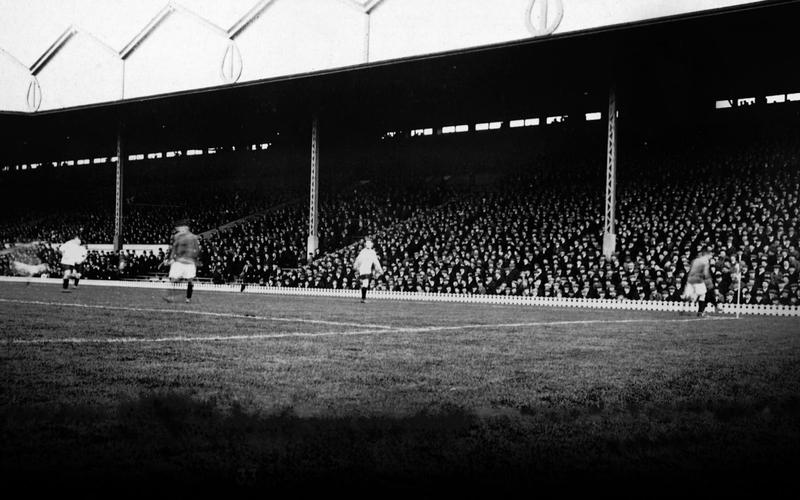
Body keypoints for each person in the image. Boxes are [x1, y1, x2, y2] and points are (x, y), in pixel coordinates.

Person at [163, 220, 200, 303]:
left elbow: (197, 249)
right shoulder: (177, 236)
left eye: (183, 227)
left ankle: (188, 298)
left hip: (189, 262)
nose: (181, 229)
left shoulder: (193, 237)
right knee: (173, 279)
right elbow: (174, 247)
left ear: (187, 227)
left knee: (190, 280)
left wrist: (194, 257)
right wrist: (171, 258)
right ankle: (170, 297)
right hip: (179, 261)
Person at [681, 248, 713, 316]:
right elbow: (705, 272)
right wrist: (709, 281)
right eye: (710, 255)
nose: (711, 257)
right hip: (698, 279)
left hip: (690, 279)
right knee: (702, 294)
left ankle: (691, 298)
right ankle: (700, 311)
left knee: (699, 293)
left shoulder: (694, 260)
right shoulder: (705, 261)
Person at [353, 239, 383, 303]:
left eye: (369, 243)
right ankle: (363, 299)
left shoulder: (364, 251)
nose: (369, 244)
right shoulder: (369, 252)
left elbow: (358, 259)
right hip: (365, 269)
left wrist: (356, 266)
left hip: (365, 269)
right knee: (366, 283)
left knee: (365, 283)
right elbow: (376, 262)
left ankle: (363, 298)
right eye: (367, 243)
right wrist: (380, 269)